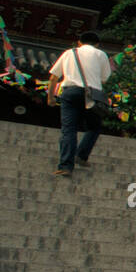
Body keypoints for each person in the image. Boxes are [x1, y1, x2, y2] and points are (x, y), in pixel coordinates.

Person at [46, 31, 113, 177]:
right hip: (92, 95)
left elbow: (53, 77)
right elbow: (104, 79)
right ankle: (81, 155)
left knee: (68, 130)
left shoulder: (69, 53)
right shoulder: (101, 54)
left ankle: (65, 166)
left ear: (79, 42)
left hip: (70, 92)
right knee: (94, 127)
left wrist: (51, 97)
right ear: (97, 44)